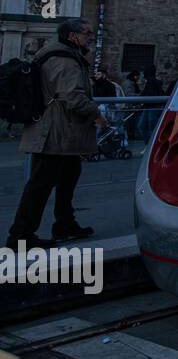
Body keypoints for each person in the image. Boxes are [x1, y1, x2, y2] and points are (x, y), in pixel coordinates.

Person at [5, 18, 105, 248]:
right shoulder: (64, 59)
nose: (90, 36)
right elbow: (72, 96)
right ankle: (20, 235)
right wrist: (96, 114)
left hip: (61, 131)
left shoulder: (56, 55)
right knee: (41, 183)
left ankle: (65, 223)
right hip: (55, 131)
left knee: (68, 176)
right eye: (87, 33)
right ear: (73, 36)